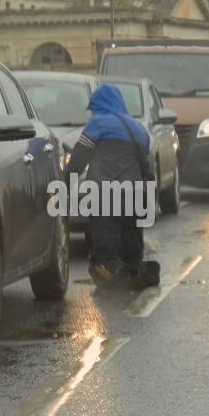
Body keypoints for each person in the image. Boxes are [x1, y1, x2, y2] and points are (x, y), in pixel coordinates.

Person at [64, 82, 160, 288]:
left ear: (100, 105)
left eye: (94, 109)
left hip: (103, 197)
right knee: (132, 251)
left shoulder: (97, 124)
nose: (93, 114)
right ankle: (136, 273)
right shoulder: (139, 129)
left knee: (104, 254)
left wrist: (64, 186)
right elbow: (147, 168)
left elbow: (78, 161)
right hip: (134, 197)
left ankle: (115, 279)